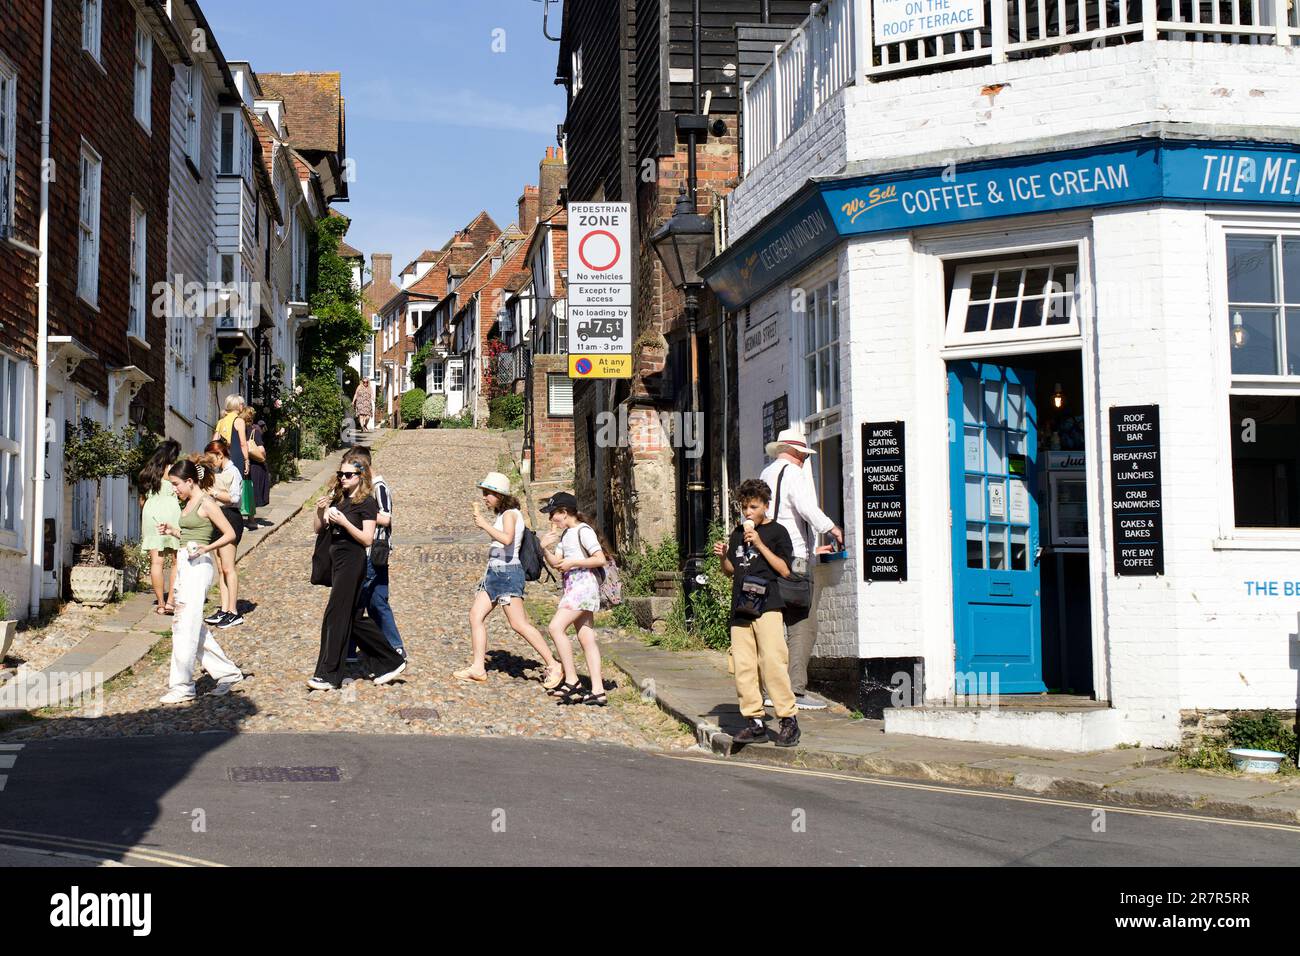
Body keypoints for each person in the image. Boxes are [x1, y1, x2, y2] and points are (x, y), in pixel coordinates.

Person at [759, 426, 845, 711]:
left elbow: (778, 515)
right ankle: (793, 690)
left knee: (771, 621)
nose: (806, 460)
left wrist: (812, 548)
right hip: (794, 560)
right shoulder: (794, 474)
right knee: (803, 623)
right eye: (805, 455)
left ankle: (768, 687)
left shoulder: (766, 473)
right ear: (796, 452)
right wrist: (831, 529)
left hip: (767, 557)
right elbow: (806, 508)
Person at [454, 472, 564, 687]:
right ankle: (478, 667)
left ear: (499, 495)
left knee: (518, 624)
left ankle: (554, 664)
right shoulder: (503, 514)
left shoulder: (510, 514)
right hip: (494, 574)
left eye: (488, 493)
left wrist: (484, 525)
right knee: (475, 615)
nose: (485, 497)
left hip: (507, 574)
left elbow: (507, 539)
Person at [309, 452, 407, 690]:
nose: (343, 478)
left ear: (360, 476)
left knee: (334, 616)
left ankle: (328, 674)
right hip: (337, 562)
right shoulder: (340, 499)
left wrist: (344, 522)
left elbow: (366, 539)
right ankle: (391, 660)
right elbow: (318, 529)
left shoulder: (367, 503)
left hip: (353, 563)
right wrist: (321, 511)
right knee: (352, 619)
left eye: (348, 475)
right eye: (340, 474)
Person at [714, 478, 800, 747]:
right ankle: (755, 722)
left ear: (765, 505)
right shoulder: (738, 532)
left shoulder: (777, 533)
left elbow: (785, 570)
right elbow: (731, 571)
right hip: (741, 607)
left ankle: (788, 720)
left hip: (768, 606)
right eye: (744, 507)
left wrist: (761, 544)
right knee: (744, 667)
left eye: (753, 506)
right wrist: (723, 556)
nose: (747, 512)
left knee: (773, 663)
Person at [155, 457, 245, 704]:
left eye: (176, 484)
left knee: (183, 626)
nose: (174, 489)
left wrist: (207, 549)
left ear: (190, 481)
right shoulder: (188, 502)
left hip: (198, 566)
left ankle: (182, 685)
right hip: (185, 563)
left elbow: (230, 533)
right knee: (192, 624)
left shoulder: (206, 502)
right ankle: (228, 672)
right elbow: (188, 533)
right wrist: (172, 531)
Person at [539, 492, 607, 706]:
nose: (551, 520)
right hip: (572, 586)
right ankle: (598, 691)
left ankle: (572, 680)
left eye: (553, 514)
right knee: (586, 638)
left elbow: (600, 559)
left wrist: (574, 563)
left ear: (564, 512)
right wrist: (544, 548)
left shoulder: (583, 531)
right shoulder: (566, 535)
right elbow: (557, 564)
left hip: (584, 585)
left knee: (555, 627)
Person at [344, 446, 404, 661]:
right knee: (378, 602)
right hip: (371, 551)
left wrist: (359, 512)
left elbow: (386, 518)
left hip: (375, 550)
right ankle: (393, 647)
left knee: (356, 602)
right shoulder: (369, 487)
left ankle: (350, 649)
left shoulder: (379, 487)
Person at [202, 440, 244, 629]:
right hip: (219, 518)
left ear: (220, 455)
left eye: (213, 460)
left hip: (230, 517)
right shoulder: (220, 473)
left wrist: (215, 493)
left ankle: (233, 612)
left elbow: (235, 498)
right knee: (221, 568)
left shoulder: (233, 472)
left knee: (228, 567)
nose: (212, 464)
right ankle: (224, 609)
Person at [138, 438, 182, 615]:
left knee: (156, 561)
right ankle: (171, 600)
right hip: (171, 511)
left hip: (151, 513)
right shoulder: (173, 470)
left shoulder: (148, 471)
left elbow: (142, 500)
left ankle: (161, 604)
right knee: (176, 561)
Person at [213, 394, 250, 493]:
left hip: (225, 457)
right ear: (237, 405)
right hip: (237, 456)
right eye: (242, 404)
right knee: (237, 486)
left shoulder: (221, 421)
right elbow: (243, 443)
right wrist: (246, 460)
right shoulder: (239, 421)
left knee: (225, 485)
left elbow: (214, 442)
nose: (243, 406)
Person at [242, 406, 271, 510]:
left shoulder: (238, 429)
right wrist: (264, 457)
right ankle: (251, 520)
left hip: (242, 463)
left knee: (244, 492)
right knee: (253, 493)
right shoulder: (254, 430)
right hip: (255, 465)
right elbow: (261, 450)